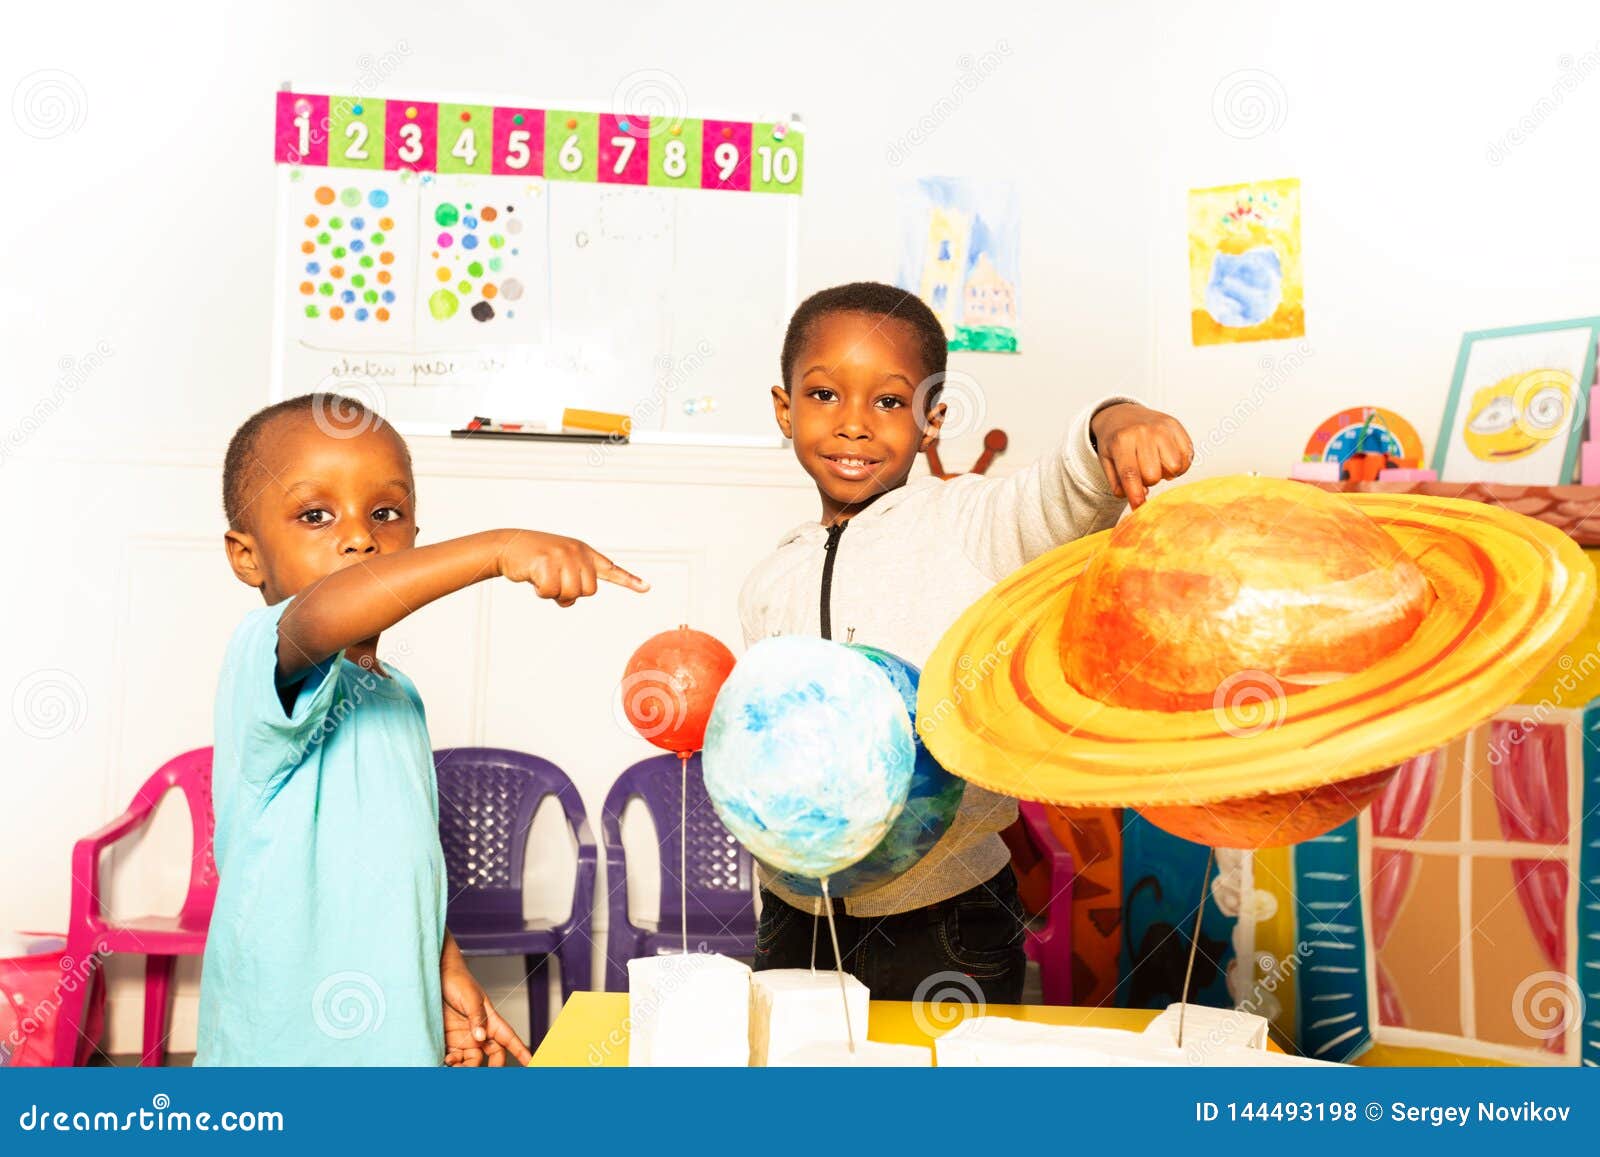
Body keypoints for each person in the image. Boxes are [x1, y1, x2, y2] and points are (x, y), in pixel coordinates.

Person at [739, 282, 1193, 1002]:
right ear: (785, 408)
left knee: (944, 1074)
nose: (854, 424)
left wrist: (1112, 424)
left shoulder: (968, 524)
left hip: (945, 917)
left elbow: (1061, 496)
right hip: (795, 915)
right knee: (796, 1064)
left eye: (889, 402)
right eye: (825, 395)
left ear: (932, 420)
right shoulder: (771, 576)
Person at [197, 393, 647, 1064]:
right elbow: (323, 613)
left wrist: (444, 964)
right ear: (246, 556)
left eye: (386, 513)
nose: (359, 537)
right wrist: (498, 548)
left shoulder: (397, 695)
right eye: (315, 515)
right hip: (280, 1051)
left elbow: (399, 864)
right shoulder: (262, 653)